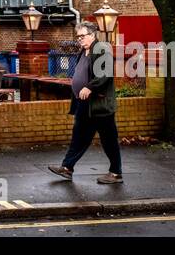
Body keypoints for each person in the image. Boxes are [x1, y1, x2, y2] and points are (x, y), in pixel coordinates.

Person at [48, 22, 122, 184]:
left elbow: (105, 73)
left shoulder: (101, 48)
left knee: (108, 139)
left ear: (92, 35)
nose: (79, 40)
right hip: (84, 104)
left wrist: (89, 87)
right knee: (79, 136)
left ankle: (116, 173)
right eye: (78, 37)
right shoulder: (84, 51)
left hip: (99, 104)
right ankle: (67, 168)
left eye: (82, 36)